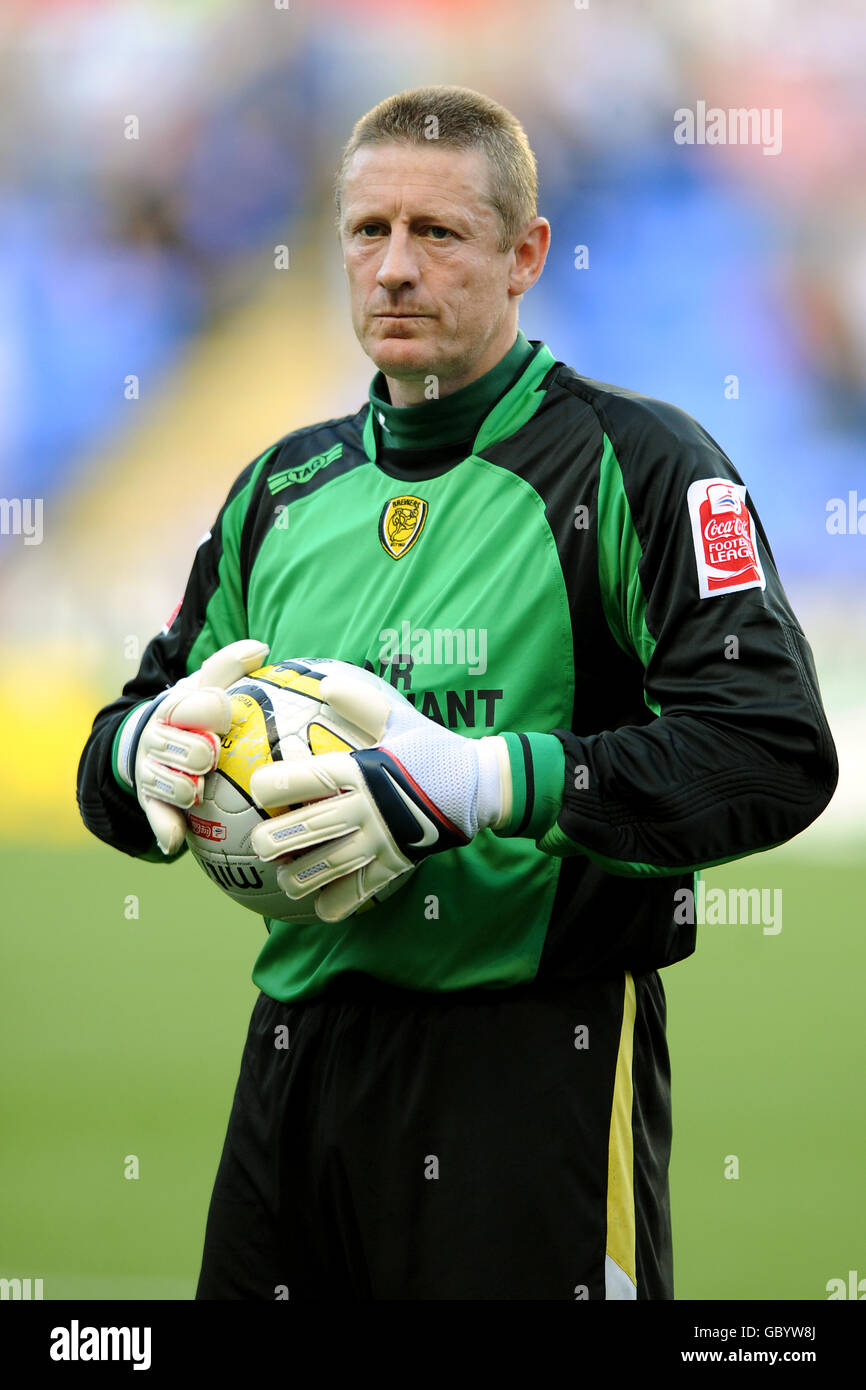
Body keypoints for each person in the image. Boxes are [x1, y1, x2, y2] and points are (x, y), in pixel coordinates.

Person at [76, 85, 838, 1301]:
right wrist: (137, 761)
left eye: (436, 234)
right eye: (366, 231)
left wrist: (484, 782)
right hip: (293, 1068)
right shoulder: (279, 489)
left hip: (536, 1066)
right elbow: (123, 739)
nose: (391, 269)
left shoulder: (638, 466)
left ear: (524, 254)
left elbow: (773, 749)